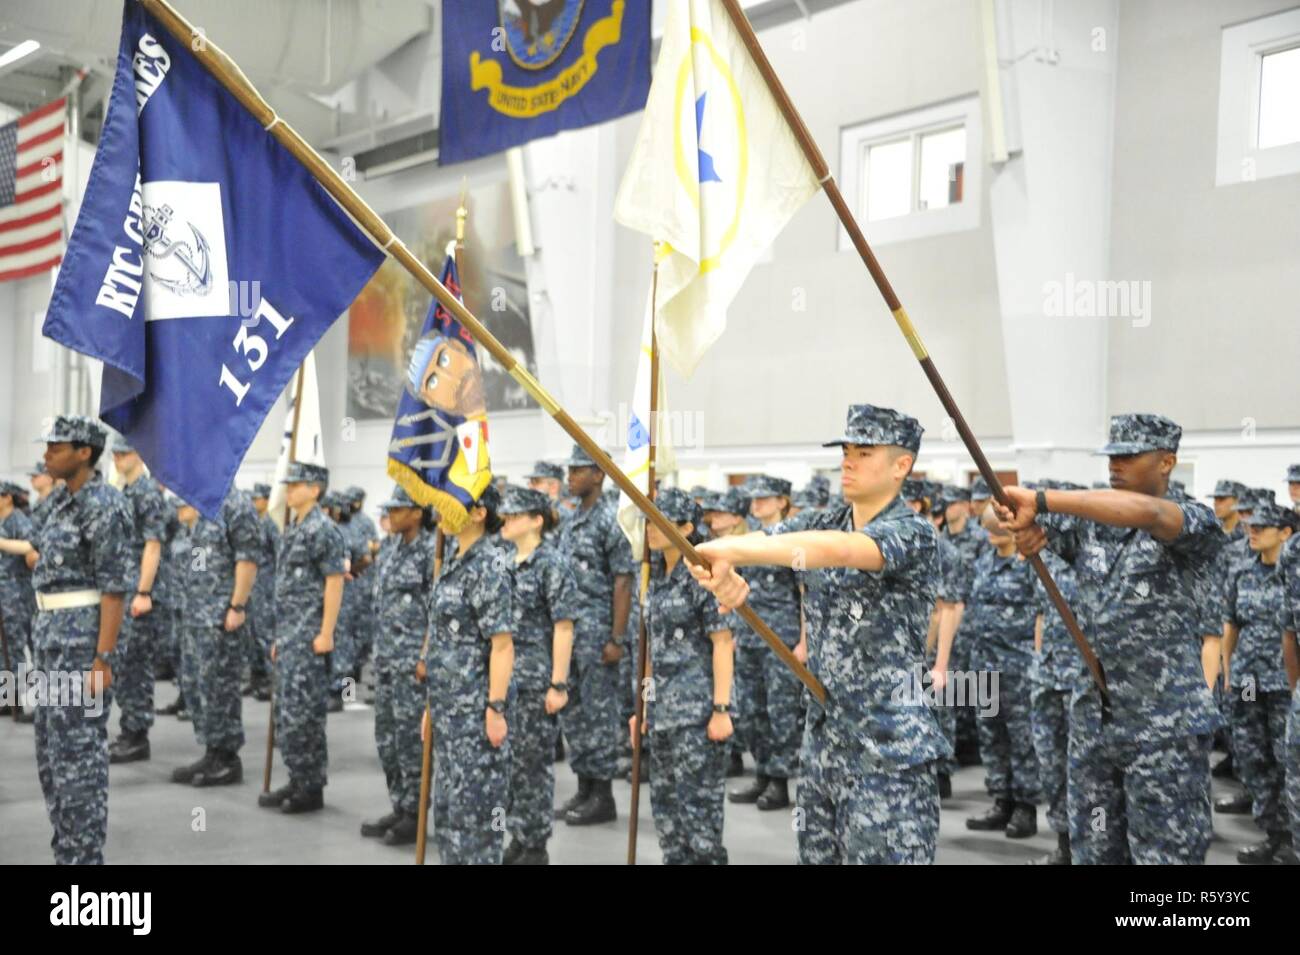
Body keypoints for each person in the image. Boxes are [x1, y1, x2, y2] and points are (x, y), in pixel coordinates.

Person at [692, 404, 950, 864]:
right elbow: (766, 542)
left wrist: (727, 550)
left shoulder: (912, 533)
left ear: (901, 465)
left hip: (887, 751)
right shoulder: (827, 518)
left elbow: (837, 551)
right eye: (846, 450)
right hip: (825, 744)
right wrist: (724, 564)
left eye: (864, 452)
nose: (848, 461)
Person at [994, 413, 1226, 864]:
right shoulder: (1089, 528)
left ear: (1167, 462)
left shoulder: (1193, 521)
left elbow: (1149, 513)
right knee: (1095, 846)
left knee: (1165, 854)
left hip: (1164, 728)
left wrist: (1040, 499)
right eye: (1111, 457)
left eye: (1128, 456)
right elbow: (1005, 514)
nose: (1115, 465)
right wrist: (1021, 523)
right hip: (1095, 722)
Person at [0, 416, 132, 864]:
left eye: (56, 447)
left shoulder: (106, 505)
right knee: (52, 754)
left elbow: (115, 588)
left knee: (79, 756)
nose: (46, 454)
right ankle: (66, 851)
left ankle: (84, 858)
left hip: (82, 649)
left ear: (84, 452)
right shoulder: (57, 504)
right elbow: (42, 558)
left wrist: (103, 658)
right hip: (51, 643)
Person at [631, 487, 734, 864]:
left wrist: (721, 708)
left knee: (699, 815)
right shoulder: (653, 577)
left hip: (696, 712)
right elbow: (649, 652)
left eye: (659, 523)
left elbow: (723, 644)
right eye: (647, 522)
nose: (650, 530)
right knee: (667, 812)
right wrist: (642, 706)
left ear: (686, 527)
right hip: (661, 714)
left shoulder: (704, 576)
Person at [425, 484, 515, 864]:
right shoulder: (456, 561)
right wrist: (432, 706)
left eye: (453, 503)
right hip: (448, 709)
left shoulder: (488, 565)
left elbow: (502, 645)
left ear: (479, 513)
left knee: (477, 816)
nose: (441, 509)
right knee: (447, 812)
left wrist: (495, 708)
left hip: (475, 714)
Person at [554, 443, 634, 825]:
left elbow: (623, 581)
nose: (570, 476)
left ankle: (603, 796)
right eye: (569, 470)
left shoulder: (609, 518)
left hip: (599, 636)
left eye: (578, 470)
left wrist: (617, 639)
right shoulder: (571, 519)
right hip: (570, 638)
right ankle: (584, 787)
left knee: (599, 716)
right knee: (575, 716)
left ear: (599, 474)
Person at [258, 462, 345, 814]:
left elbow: (334, 581)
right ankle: (296, 777)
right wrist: (282, 636)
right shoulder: (293, 529)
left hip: (310, 638)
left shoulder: (323, 530)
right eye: (288, 484)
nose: (288, 490)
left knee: (306, 715)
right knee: (288, 713)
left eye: (296, 485)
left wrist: (326, 632)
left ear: (315, 488)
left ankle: (311, 786)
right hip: (291, 636)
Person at [498, 485, 578, 864]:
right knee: (509, 764)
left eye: (514, 515)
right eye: (506, 515)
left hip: (535, 680)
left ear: (536, 521)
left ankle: (535, 844)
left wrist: (558, 684)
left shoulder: (552, 563)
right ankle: (518, 833)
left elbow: (563, 626)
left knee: (533, 766)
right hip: (505, 681)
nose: (506, 521)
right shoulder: (502, 560)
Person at [959, 506, 1041, 837]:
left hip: (1018, 666)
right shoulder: (983, 563)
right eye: (988, 530)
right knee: (991, 734)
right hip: (984, 665)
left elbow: (1041, 614)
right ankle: (1001, 800)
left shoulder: (1029, 566)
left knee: (1022, 737)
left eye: (998, 530)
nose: (992, 534)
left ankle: (1026, 807)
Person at [168, 489, 259, 787]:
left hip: (221, 616)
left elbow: (246, 560)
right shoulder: (200, 503)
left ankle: (228, 759)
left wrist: (237, 605)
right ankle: (212, 751)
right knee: (197, 685)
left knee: (220, 686)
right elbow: (197, 561)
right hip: (195, 613)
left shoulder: (235, 504)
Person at [1222, 501, 1296, 863]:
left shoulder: (1294, 576)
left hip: (1285, 684)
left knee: (1288, 760)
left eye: (1262, 527)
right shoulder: (1243, 574)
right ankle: (1275, 833)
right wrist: (1227, 671)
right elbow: (1231, 624)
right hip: (1250, 681)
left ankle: (1294, 839)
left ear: (1285, 532)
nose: (1252, 531)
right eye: (1251, 526)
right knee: (1254, 756)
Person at [362, 486, 436, 846]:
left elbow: (436, 611)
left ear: (418, 513)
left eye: (399, 508)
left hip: (412, 664)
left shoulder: (430, 552)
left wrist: (425, 655)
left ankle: (416, 812)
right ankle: (399, 803)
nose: (390, 514)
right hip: (388, 660)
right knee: (387, 739)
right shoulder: (389, 548)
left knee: (411, 741)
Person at [726, 475, 802, 811]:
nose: (756, 504)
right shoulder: (751, 541)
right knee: (752, 711)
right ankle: (761, 773)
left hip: (782, 639)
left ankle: (779, 781)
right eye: (753, 499)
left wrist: (805, 642)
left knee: (780, 711)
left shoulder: (795, 540)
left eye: (764, 498)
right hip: (750, 638)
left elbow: (807, 594)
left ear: (782, 501)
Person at [1026, 479, 1087, 865]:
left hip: (1081, 681)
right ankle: (1064, 846)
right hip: (1048, 677)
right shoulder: (1043, 558)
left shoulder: (1092, 561)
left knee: (1085, 773)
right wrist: (1038, 659)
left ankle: (1090, 849)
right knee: (1051, 767)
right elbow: (1042, 616)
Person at [107, 437, 168, 764]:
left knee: (135, 664)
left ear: (141, 454)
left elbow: (153, 544)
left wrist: (144, 591)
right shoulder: (124, 492)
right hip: (122, 587)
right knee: (123, 662)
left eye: (124, 452)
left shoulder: (146, 493)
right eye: (115, 452)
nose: (117, 457)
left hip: (137, 592)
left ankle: (137, 734)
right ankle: (129, 728)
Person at [0, 480, 37, 721]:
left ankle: (18, 701)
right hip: (3, 594)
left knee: (15, 648)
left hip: (16, 594)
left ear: (7, 498)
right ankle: (6, 699)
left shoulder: (18, 521)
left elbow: (31, 548)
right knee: (2, 651)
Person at [246, 484, 279, 700]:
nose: (253, 502)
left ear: (267, 500)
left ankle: (272, 680)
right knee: (254, 635)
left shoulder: (271, 524)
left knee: (267, 635)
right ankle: (257, 678)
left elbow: (279, 556)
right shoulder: (254, 523)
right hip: (254, 588)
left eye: (257, 498)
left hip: (267, 588)